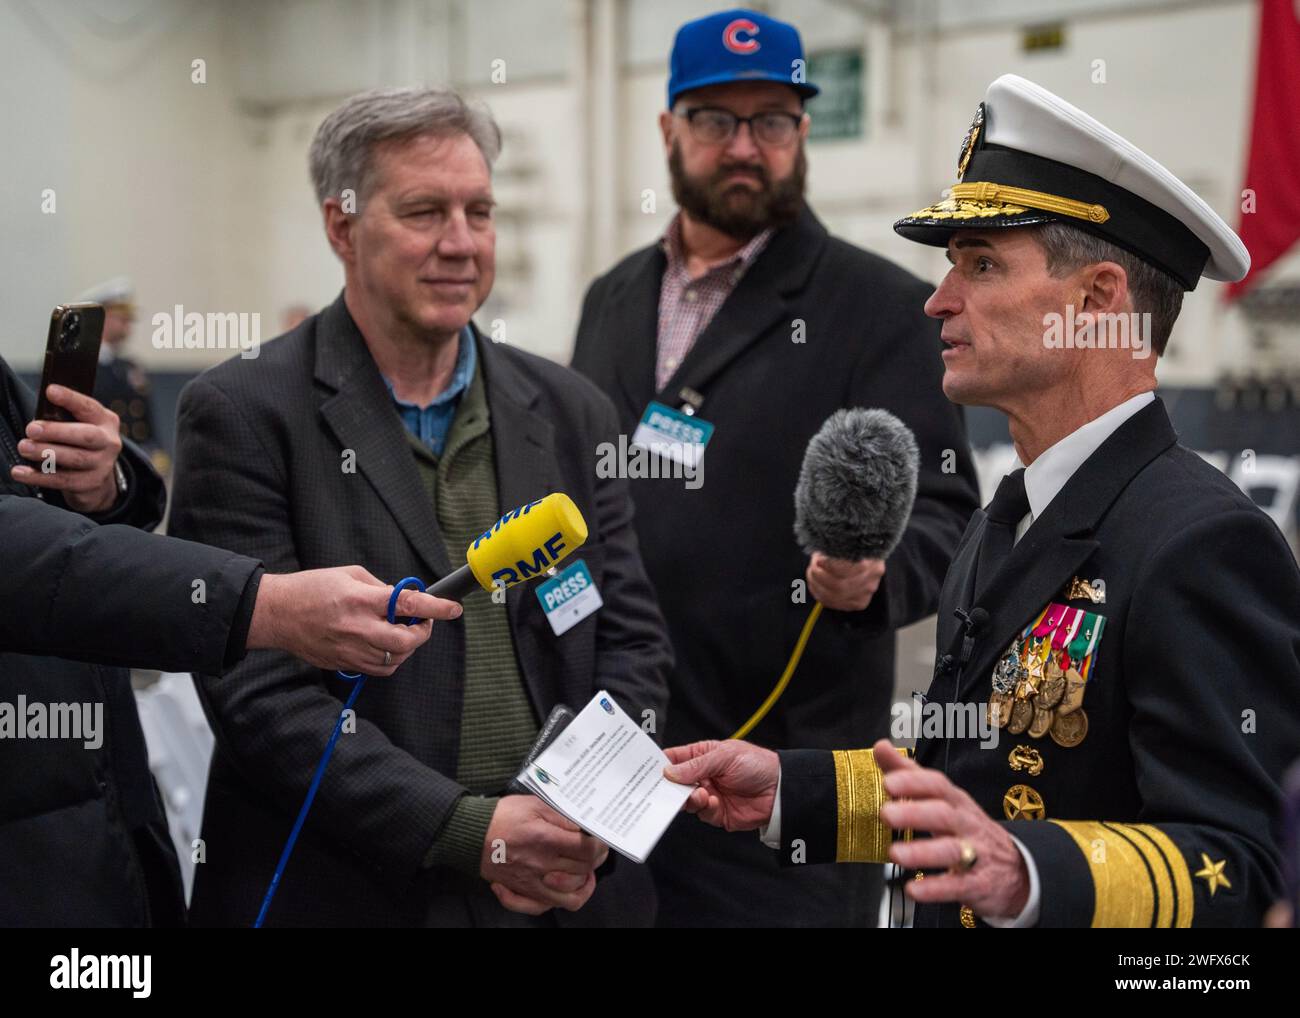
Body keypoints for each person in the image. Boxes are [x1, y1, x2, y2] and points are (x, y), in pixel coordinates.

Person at [664, 74, 1300, 928]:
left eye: (982, 265)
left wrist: (1024, 873)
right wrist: (789, 788)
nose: (939, 301)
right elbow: (966, 776)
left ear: (1096, 302)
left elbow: (1238, 868)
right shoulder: (1006, 515)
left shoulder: (1202, 540)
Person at [167, 86, 673, 927]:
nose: (461, 244)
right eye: (424, 212)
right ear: (342, 226)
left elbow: (630, 638)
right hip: (350, 891)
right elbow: (261, 696)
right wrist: (467, 830)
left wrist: (582, 813)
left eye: (480, 211)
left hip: (560, 890)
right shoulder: (246, 413)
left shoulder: (571, 411)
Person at [571, 8, 979, 926]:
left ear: (802, 134)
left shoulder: (879, 309)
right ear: (669, 129)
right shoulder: (611, 298)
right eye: (717, 120)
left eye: (774, 121)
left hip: (781, 793)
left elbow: (953, 518)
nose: (746, 146)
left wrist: (872, 578)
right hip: (614, 770)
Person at [0, 357, 460, 926]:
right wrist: (261, 605)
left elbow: (37, 506)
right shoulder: (240, 403)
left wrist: (103, 485)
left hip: (97, 812)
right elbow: (24, 554)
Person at [79, 277, 167, 473]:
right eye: (122, 318)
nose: (128, 326)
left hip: (134, 454)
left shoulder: (129, 366)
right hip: (98, 458)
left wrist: (156, 449)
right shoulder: (79, 364)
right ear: (102, 318)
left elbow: (144, 416)